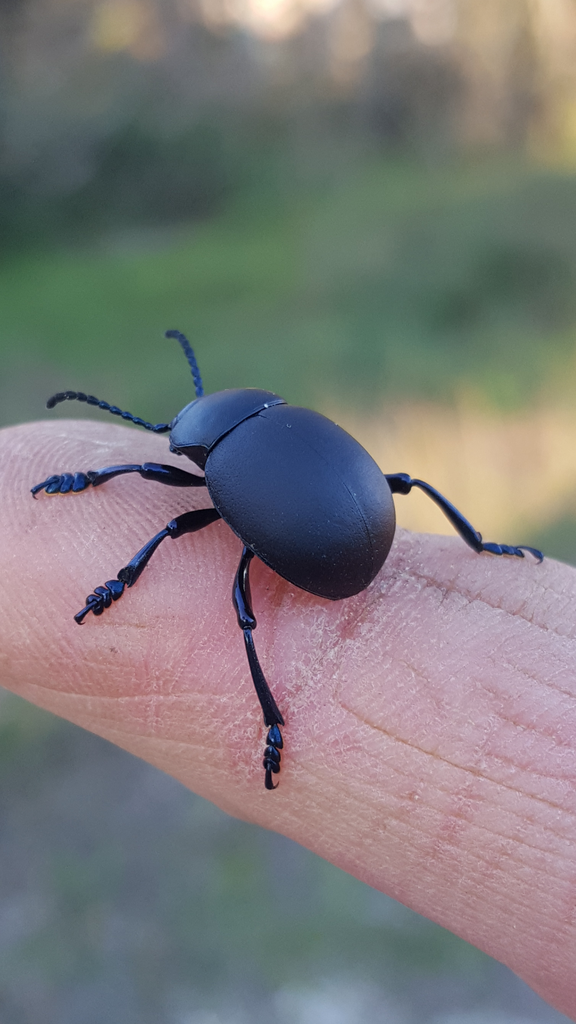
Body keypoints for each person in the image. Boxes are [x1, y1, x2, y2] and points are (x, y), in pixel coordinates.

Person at [1, 418, 575, 1018]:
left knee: (224, 592)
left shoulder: (224, 459)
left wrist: (95, 488)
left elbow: (160, 496)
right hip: (353, 533)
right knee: (407, 482)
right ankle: (478, 545)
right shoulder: (278, 419)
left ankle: (264, 716)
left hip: (328, 549)